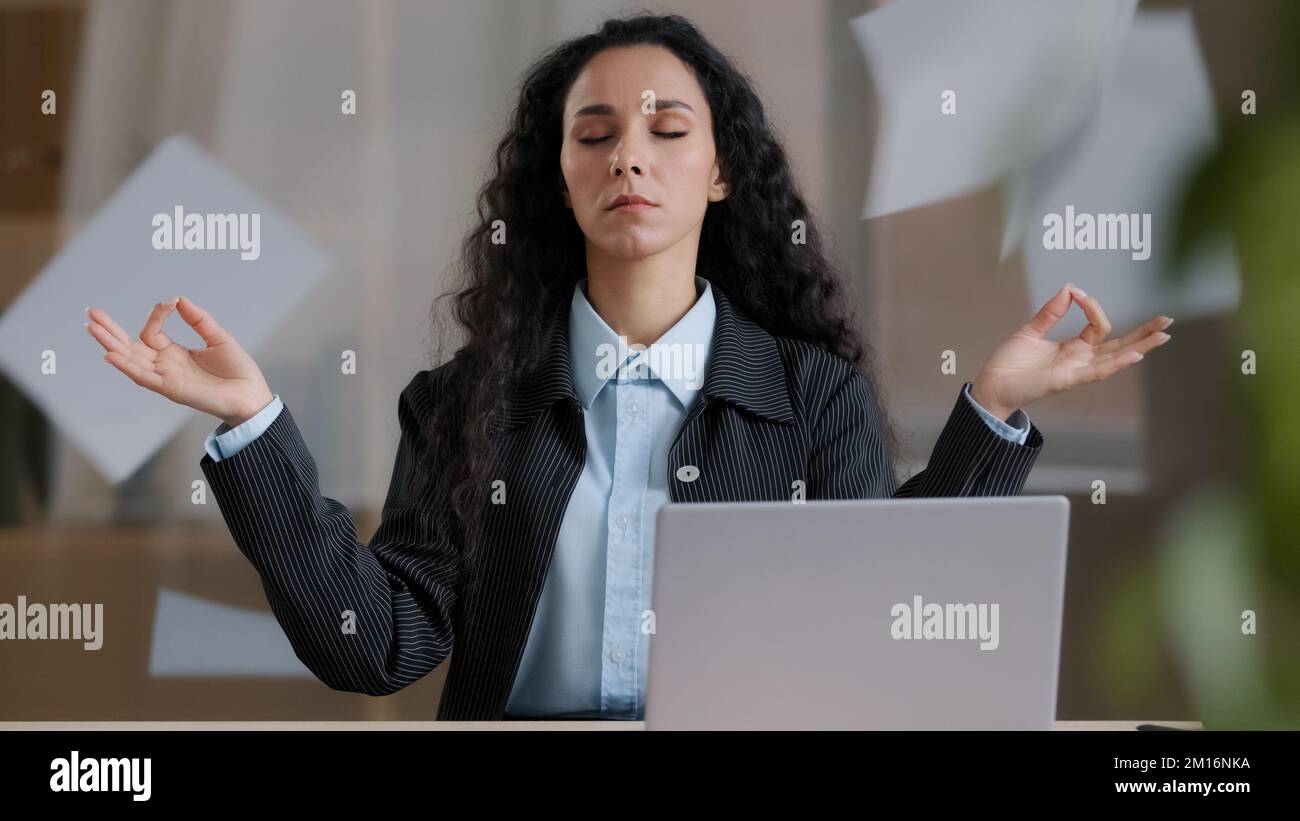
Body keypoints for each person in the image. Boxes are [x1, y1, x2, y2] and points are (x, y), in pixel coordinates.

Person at [84, 13, 1172, 721]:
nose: (629, 155)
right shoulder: (468, 403)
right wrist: (252, 426)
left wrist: (992, 408)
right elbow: (376, 644)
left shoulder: (810, 397)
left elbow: (886, 616)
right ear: (560, 178)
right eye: (593, 134)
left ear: (719, 174)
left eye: (665, 127)